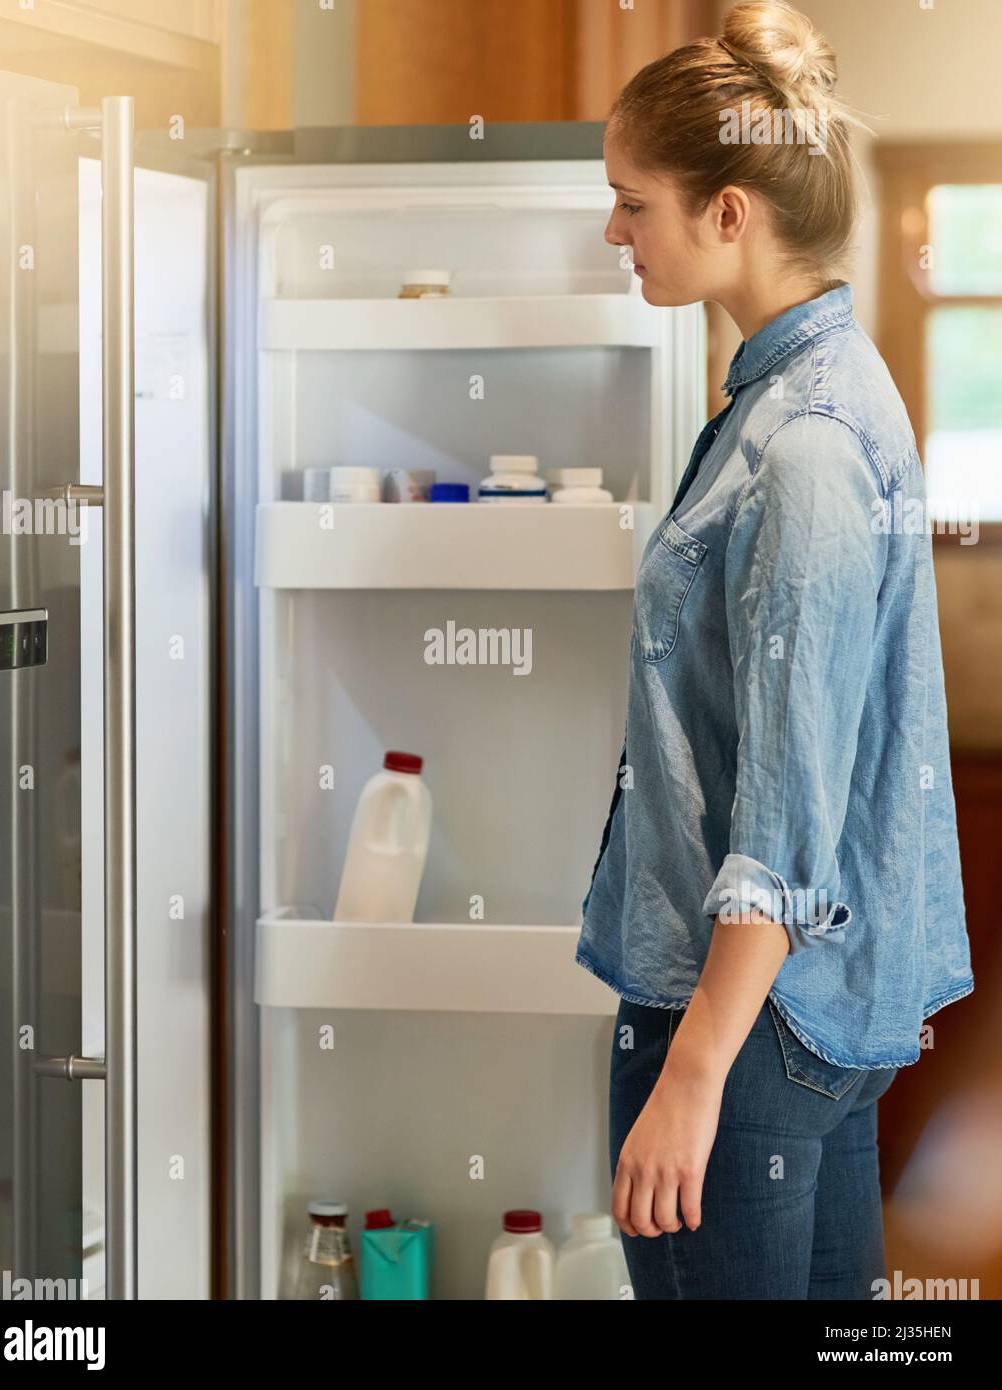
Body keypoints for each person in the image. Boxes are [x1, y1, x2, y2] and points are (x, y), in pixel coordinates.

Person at [574, 0, 974, 1300]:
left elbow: (787, 820)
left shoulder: (799, 447)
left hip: (741, 1022)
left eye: (635, 203)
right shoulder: (832, 387)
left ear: (729, 213)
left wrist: (690, 1074)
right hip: (820, 1017)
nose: (616, 229)